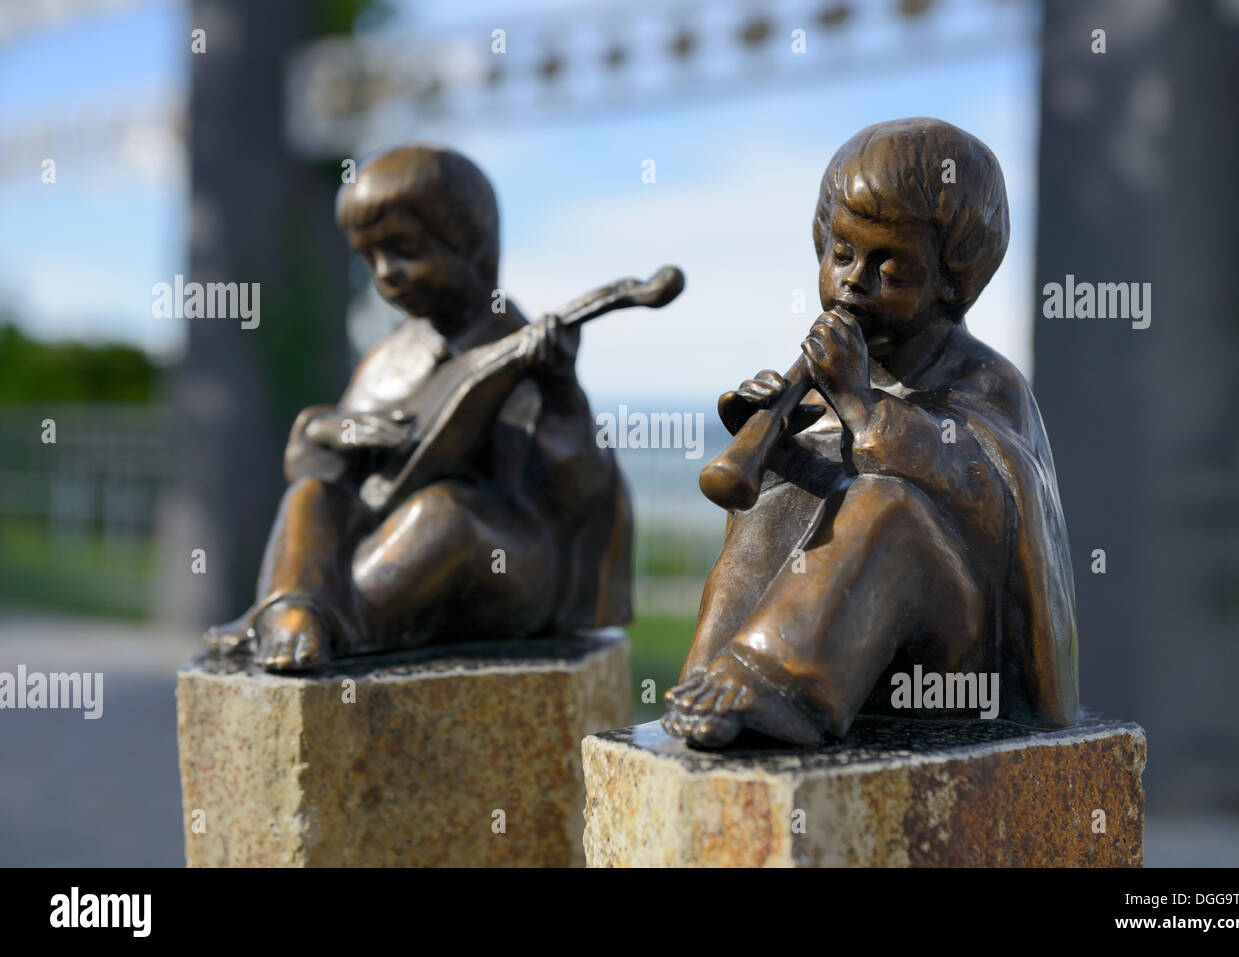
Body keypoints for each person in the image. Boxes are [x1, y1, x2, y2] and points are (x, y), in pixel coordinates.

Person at [663, 118, 1078, 747]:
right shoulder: (836, 375)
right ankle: (715, 672)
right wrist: (781, 450)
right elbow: (811, 503)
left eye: (892, 268)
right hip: (854, 648)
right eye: (843, 253)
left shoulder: (986, 379)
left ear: (950, 282)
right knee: (773, 505)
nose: (854, 281)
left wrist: (858, 402)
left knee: (886, 504)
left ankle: (778, 682)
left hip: (945, 664)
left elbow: (984, 496)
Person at [204, 144, 632, 671]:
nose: (386, 273)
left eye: (404, 249)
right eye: (370, 258)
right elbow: (332, 480)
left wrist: (562, 394)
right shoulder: (387, 360)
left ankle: (334, 620)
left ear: (469, 239)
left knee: (445, 513)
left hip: (509, 568)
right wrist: (328, 430)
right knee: (310, 496)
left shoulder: (522, 349)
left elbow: (578, 497)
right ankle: (292, 610)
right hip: (389, 553)